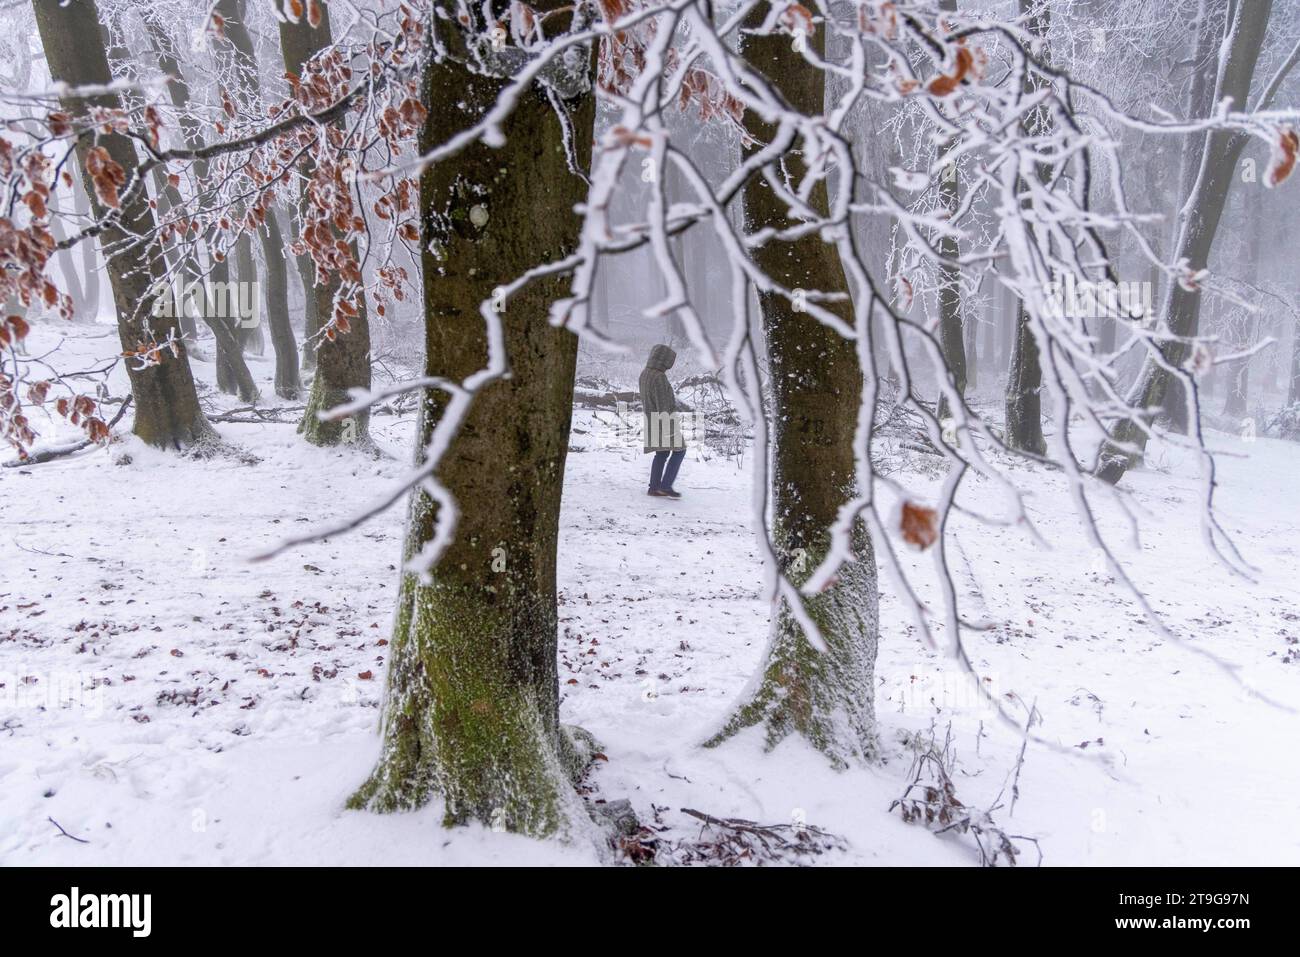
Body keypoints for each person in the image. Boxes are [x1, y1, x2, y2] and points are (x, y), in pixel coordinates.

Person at [638, 343, 686, 498]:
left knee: (662, 453)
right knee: (680, 450)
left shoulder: (644, 373)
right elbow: (663, 404)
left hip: (651, 419)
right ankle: (665, 486)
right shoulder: (659, 377)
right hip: (663, 421)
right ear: (664, 360)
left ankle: (654, 487)